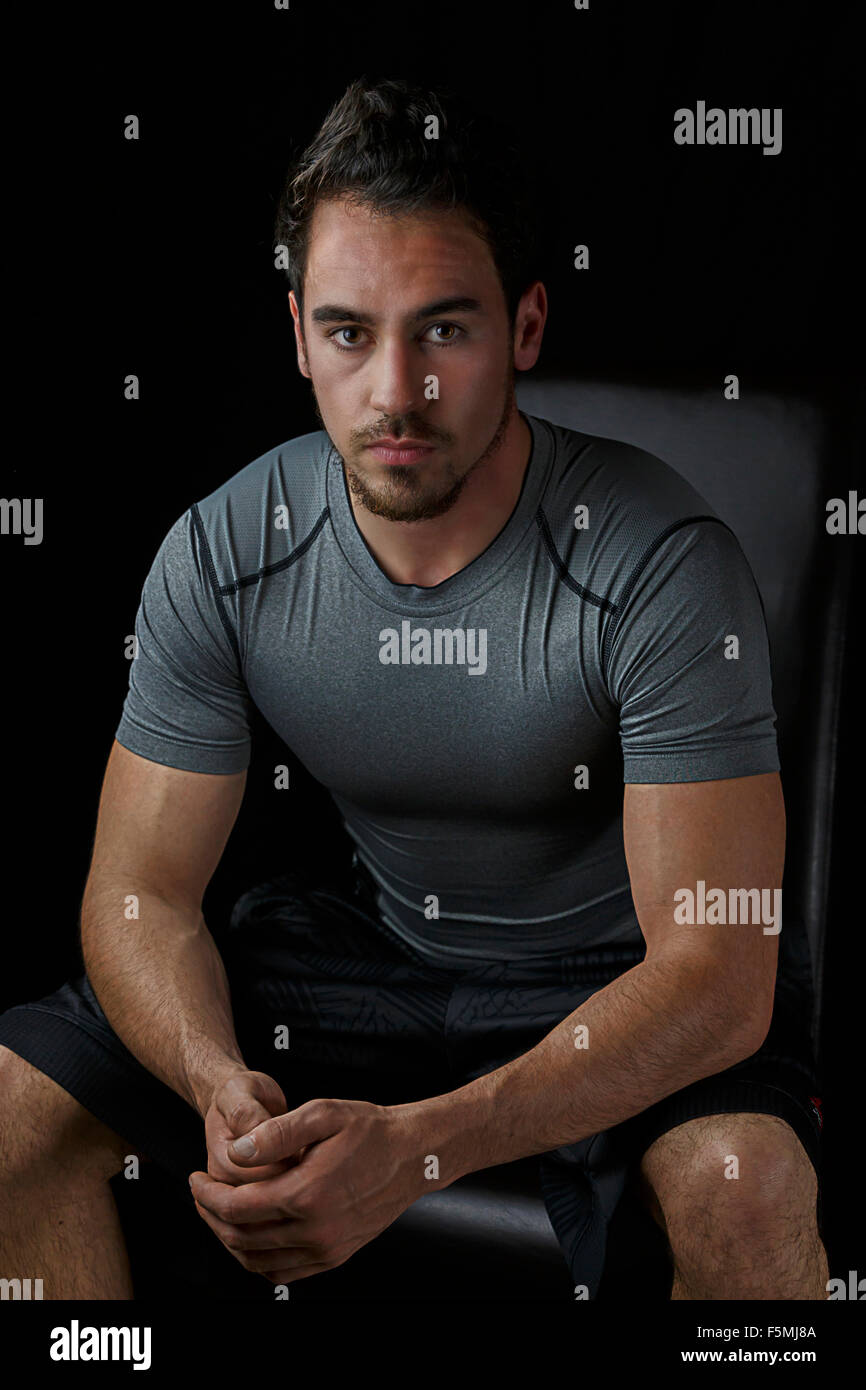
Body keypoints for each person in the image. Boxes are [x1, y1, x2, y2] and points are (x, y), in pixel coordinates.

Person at [0, 76, 827, 1300]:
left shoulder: (658, 562)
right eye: (347, 331)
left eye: (443, 328)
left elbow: (713, 970)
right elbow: (137, 893)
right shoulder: (224, 551)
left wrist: (418, 1145)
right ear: (295, 336)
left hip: (620, 977)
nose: (395, 391)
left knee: (742, 1190)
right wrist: (213, 1077)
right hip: (373, 952)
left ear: (525, 328)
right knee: (13, 1118)